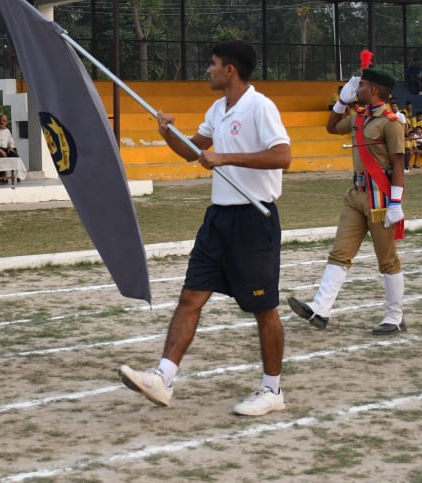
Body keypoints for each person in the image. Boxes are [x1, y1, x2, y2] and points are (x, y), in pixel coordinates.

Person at [119, 40, 292, 417]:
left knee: (264, 308)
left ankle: (272, 389)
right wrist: (167, 132)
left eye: (213, 64)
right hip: (218, 219)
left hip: (254, 218)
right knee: (190, 297)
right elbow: (193, 150)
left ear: (230, 69)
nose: (208, 69)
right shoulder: (218, 108)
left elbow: (283, 156)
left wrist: (225, 157)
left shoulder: (260, 107)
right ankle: (163, 378)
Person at [287, 57, 408, 337]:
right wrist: (341, 102)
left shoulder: (391, 123)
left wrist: (396, 202)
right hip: (355, 194)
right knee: (340, 253)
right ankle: (321, 310)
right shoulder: (359, 117)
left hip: (380, 198)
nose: (356, 88)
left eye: (361, 85)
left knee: (387, 259)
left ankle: (395, 316)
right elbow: (331, 127)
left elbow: (398, 162)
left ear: (374, 90)